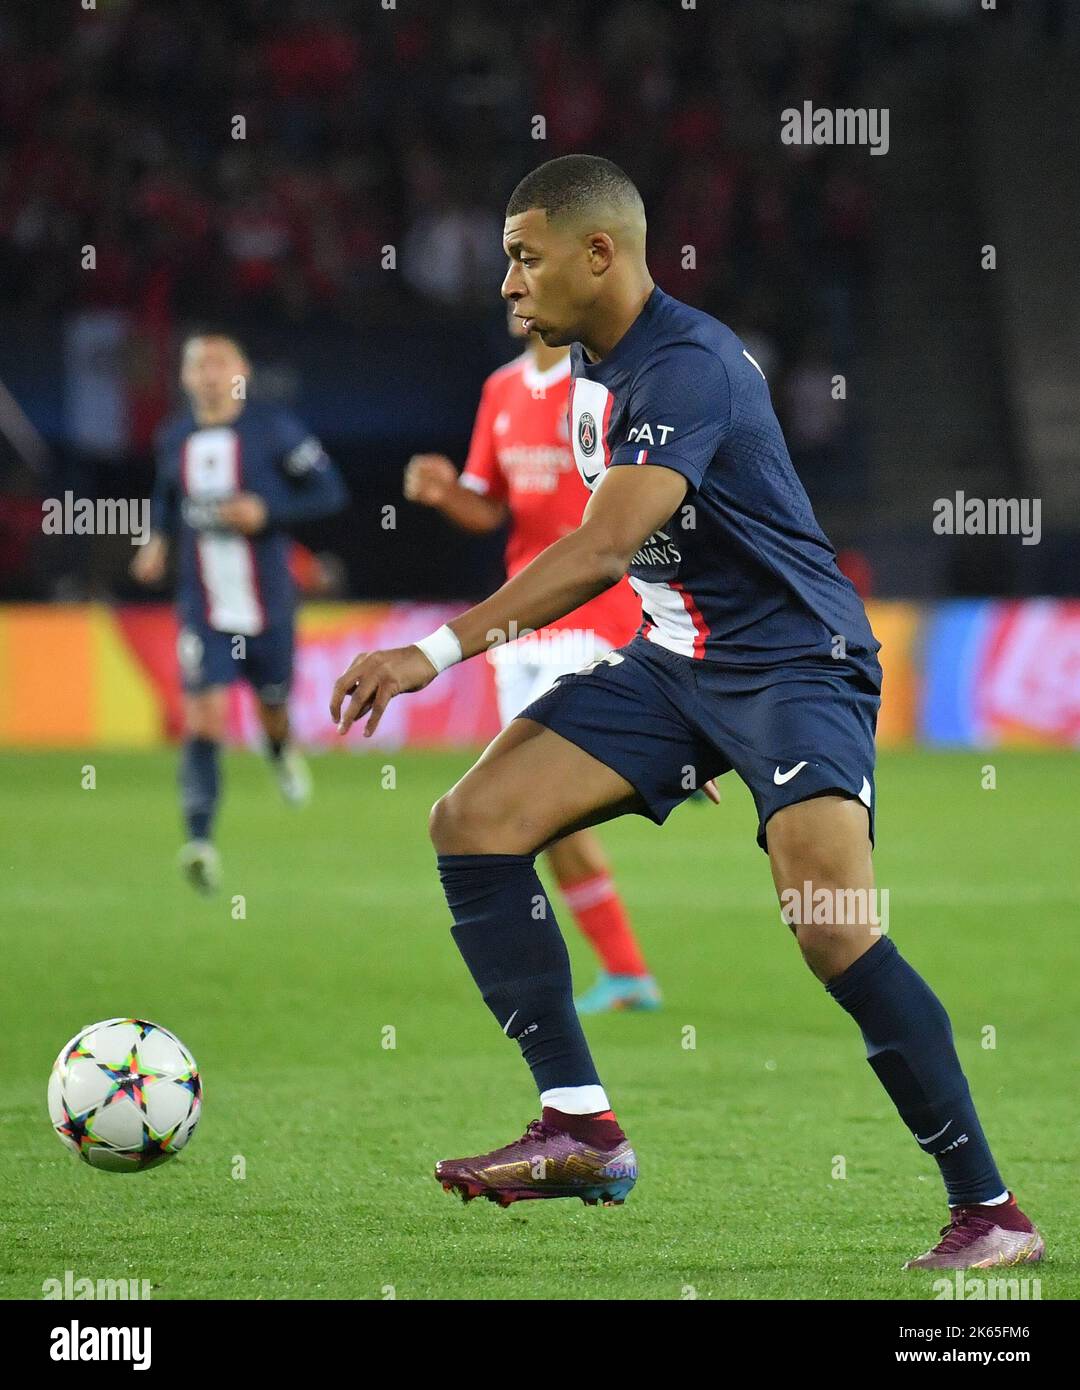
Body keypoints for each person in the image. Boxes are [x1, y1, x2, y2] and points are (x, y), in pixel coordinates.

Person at [330, 156, 1042, 1270]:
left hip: (797, 666)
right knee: (473, 821)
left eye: (525, 256)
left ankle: (992, 1212)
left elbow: (604, 546)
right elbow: (644, 559)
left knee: (833, 931)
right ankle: (580, 1125)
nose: (507, 283)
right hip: (675, 661)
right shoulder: (584, 374)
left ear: (599, 252)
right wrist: (672, 729)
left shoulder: (688, 368)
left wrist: (433, 649)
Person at [403, 306, 660, 1013]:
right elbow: (489, 508)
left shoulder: (604, 388)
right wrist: (445, 491)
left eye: (529, 266)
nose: (514, 289)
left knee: (531, 805)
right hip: (522, 623)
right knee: (543, 820)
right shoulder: (500, 390)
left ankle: (663, 754)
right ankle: (628, 972)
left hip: (590, 615)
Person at [134, 331, 347, 892]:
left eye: (219, 361)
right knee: (203, 718)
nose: (208, 372)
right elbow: (164, 493)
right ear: (184, 377)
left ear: (242, 370)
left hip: (269, 603)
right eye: (197, 364)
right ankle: (200, 841)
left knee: (272, 706)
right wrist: (155, 539)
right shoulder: (174, 435)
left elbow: (330, 490)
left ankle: (278, 751)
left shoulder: (273, 428)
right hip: (202, 604)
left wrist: (266, 510)